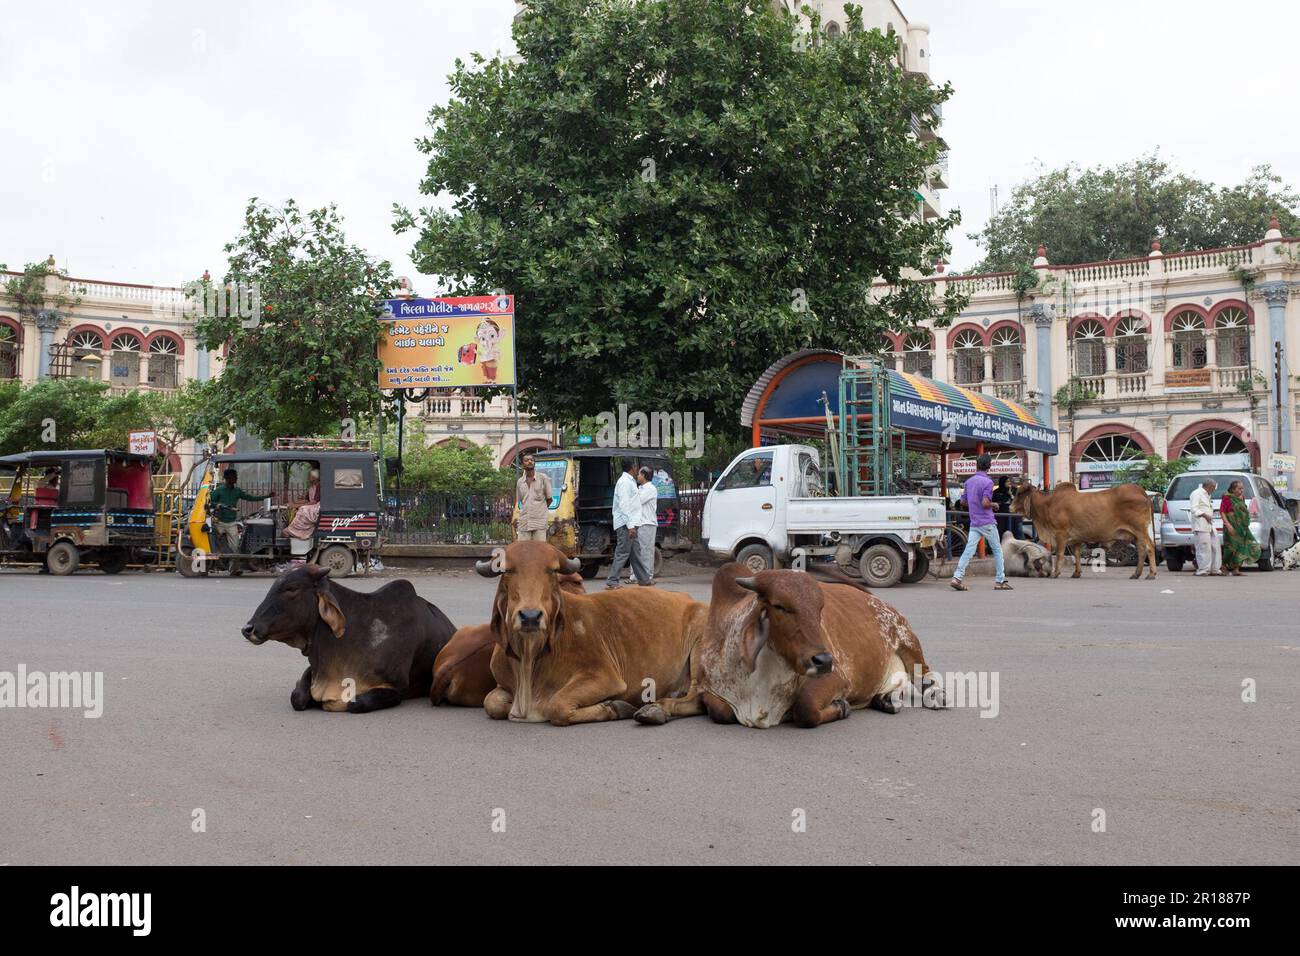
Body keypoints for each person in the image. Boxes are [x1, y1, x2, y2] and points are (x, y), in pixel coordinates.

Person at [950, 454, 1012, 591]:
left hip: (974, 522)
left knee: (968, 551)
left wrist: (974, 501)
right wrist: (994, 504)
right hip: (987, 521)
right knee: (997, 550)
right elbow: (985, 503)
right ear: (989, 466)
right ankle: (1000, 581)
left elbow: (964, 502)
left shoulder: (969, 482)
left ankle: (957, 577)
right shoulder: (988, 482)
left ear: (976, 465)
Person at [208, 468, 264, 574]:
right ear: (227, 478)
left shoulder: (237, 491)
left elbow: (250, 497)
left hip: (231, 523)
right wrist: (218, 505)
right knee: (212, 544)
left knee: (235, 548)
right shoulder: (219, 491)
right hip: (218, 522)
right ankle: (212, 565)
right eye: (234, 477)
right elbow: (210, 502)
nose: (236, 479)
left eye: (236, 477)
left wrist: (266, 496)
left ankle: (234, 569)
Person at [606, 459, 650, 589]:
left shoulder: (629, 481)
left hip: (631, 523)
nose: (637, 468)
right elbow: (624, 505)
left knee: (635, 552)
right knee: (623, 552)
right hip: (626, 524)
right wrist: (630, 526)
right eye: (636, 466)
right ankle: (612, 581)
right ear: (632, 467)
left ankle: (644, 579)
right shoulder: (625, 482)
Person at [1219, 479, 1257, 576]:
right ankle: (1224, 567)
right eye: (1239, 488)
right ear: (1233, 489)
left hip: (1241, 527)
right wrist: (1228, 524)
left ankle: (1236, 569)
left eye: (1242, 488)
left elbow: (1243, 512)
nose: (1241, 490)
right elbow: (1222, 512)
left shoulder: (1242, 498)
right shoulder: (1227, 497)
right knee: (1230, 548)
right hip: (1231, 526)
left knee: (1241, 547)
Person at [629, 465, 658, 584]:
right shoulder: (640, 488)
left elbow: (636, 502)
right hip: (638, 523)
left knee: (646, 551)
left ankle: (647, 576)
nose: (637, 476)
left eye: (640, 474)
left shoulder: (651, 489)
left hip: (647, 523)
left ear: (644, 476)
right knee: (636, 550)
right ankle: (634, 576)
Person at [514, 454, 553, 541]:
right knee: (523, 550)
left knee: (540, 551)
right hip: (524, 522)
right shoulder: (520, 482)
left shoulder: (543, 478)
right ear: (522, 464)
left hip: (539, 523)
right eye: (527, 460)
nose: (530, 462)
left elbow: (549, 499)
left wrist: (540, 511)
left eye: (531, 460)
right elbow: (519, 501)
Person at [1189, 477, 1223, 576]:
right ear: (1209, 486)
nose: (1213, 490)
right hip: (1200, 524)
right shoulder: (1197, 493)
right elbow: (1194, 509)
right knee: (1203, 547)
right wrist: (1205, 515)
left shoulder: (1207, 495)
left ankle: (1215, 569)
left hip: (1209, 524)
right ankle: (1203, 570)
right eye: (1213, 488)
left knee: (1214, 546)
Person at [284, 469, 322, 540]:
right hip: (311, 504)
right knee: (294, 509)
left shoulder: (319, 485)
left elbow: (314, 501)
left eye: (310, 475)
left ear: (315, 477)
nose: (308, 477)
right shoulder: (311, 487)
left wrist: (297, 505)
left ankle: (294, 531)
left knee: (303, 509)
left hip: (316, 505)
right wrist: (294, 503)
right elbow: (307, 499)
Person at [992, 475, 1023, 540]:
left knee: (1017, 532)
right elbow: (996, 501)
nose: (1009, 483)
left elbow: (1019, 501)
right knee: (1001, 532)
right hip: (1002, 516)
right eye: (1007, 481)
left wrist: (1010, 494)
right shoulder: (997, 492)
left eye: (1009, 481)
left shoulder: (1014, 490)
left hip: (1015, 517)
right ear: (1002, 482)